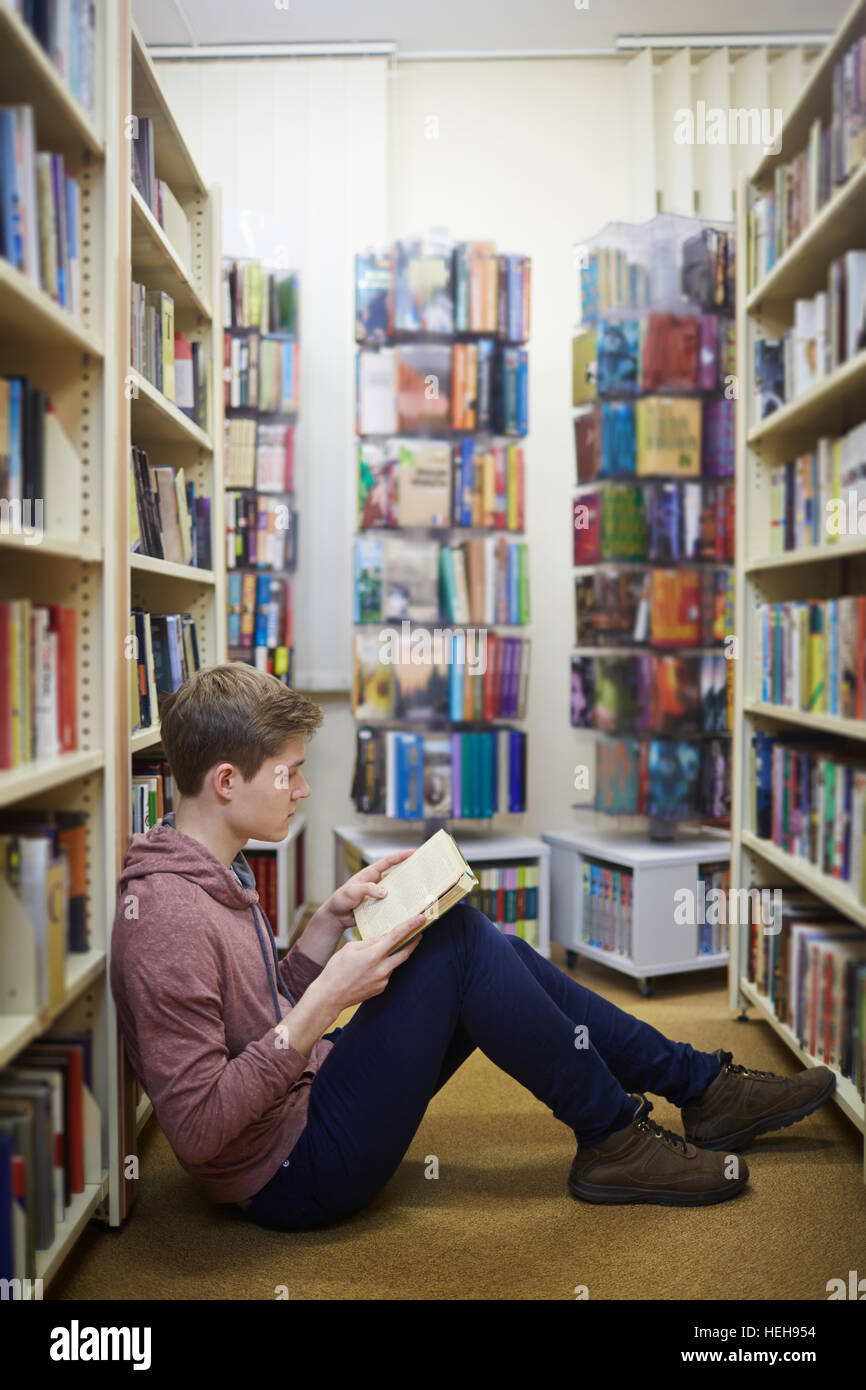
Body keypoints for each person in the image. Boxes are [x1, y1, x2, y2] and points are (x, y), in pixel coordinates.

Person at [110, 665, 837, 1230]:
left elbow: (255, 1013)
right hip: (291, 1173)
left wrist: (322, 931)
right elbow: (200, 1130)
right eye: (289, 772)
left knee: (488, 946)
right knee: (461, 942)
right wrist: (330, 994)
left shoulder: (218, 864)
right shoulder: (165, 918)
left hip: (308, 1101)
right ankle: (623, 1133)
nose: (302, 789)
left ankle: (697, 1090)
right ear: (227, 781)